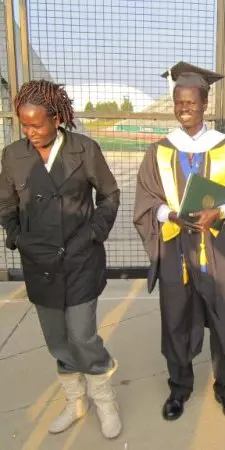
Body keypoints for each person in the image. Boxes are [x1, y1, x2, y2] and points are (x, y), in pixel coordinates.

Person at [133, 62, 225, 422]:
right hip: (174, 250)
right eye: (178, 102)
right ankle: (179, 388)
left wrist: (220, 213)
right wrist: (169, 215)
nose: (184, 108)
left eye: (191, 102)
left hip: (216, 251)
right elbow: (146, 200)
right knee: (175, 318)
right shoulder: (159, 151)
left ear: (205, 104)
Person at [0, 80, 122, 439]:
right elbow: (6, 203)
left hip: (81, 258)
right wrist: (16, 237)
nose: (30, 132)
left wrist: (92, 234)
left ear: (56, 119)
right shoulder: (12, 155)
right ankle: (75, 400)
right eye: (25, 125)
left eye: (37, 124)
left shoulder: (84, 149)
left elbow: (110, 196)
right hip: (39, 263)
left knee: (83, 335)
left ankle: (104, 398)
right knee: (57, 339)